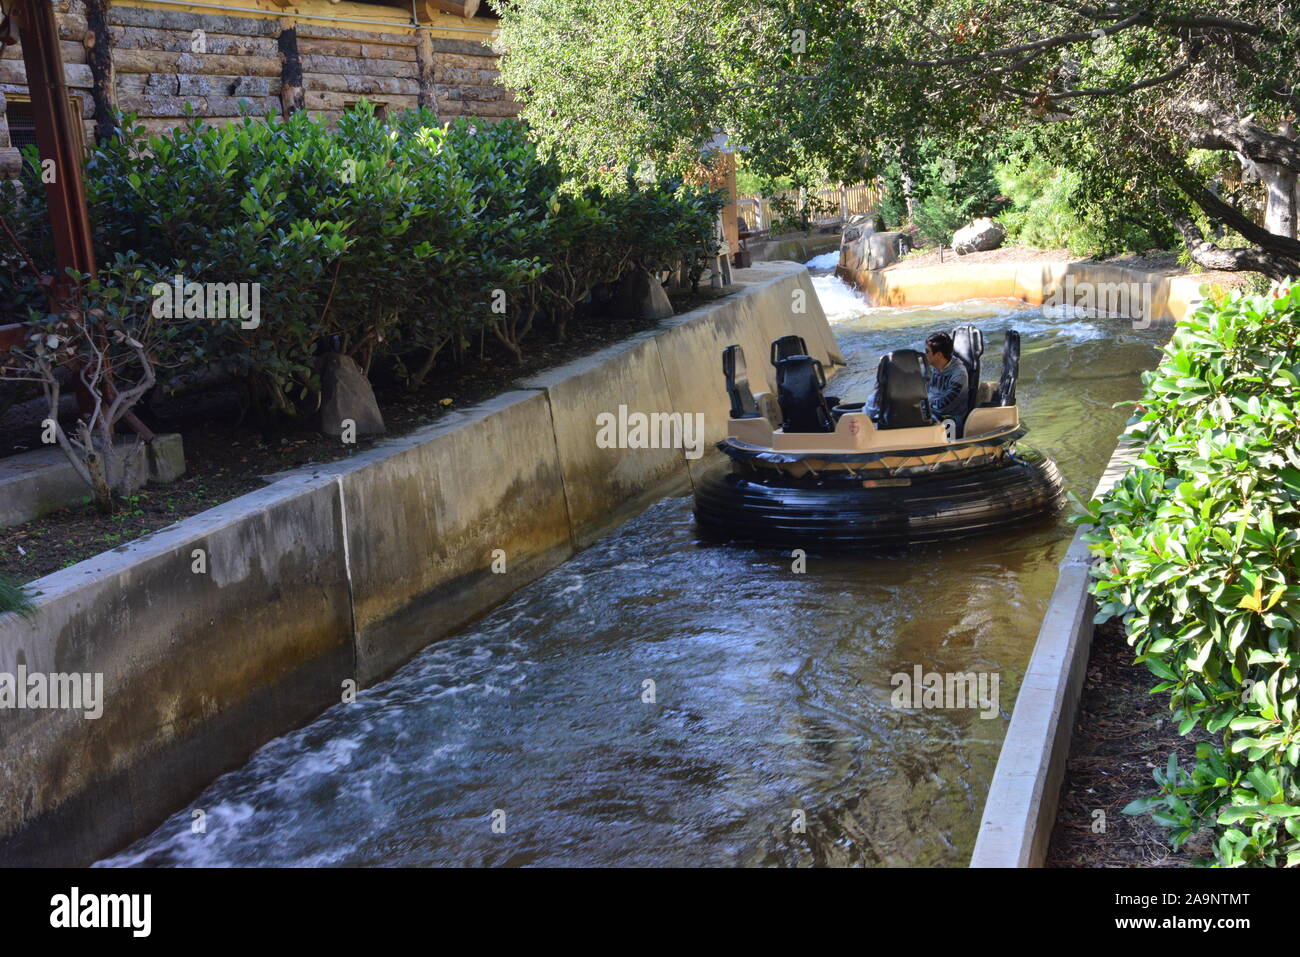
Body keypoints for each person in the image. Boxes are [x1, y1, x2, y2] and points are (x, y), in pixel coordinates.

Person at [924, 332, 968, 424]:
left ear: (939, 355)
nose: (925, 354)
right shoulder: (932, 368)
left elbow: (943, 406)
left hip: (951, 420)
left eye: (927, 351)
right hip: (932, 412)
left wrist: (925, 404)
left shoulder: (959, 375)